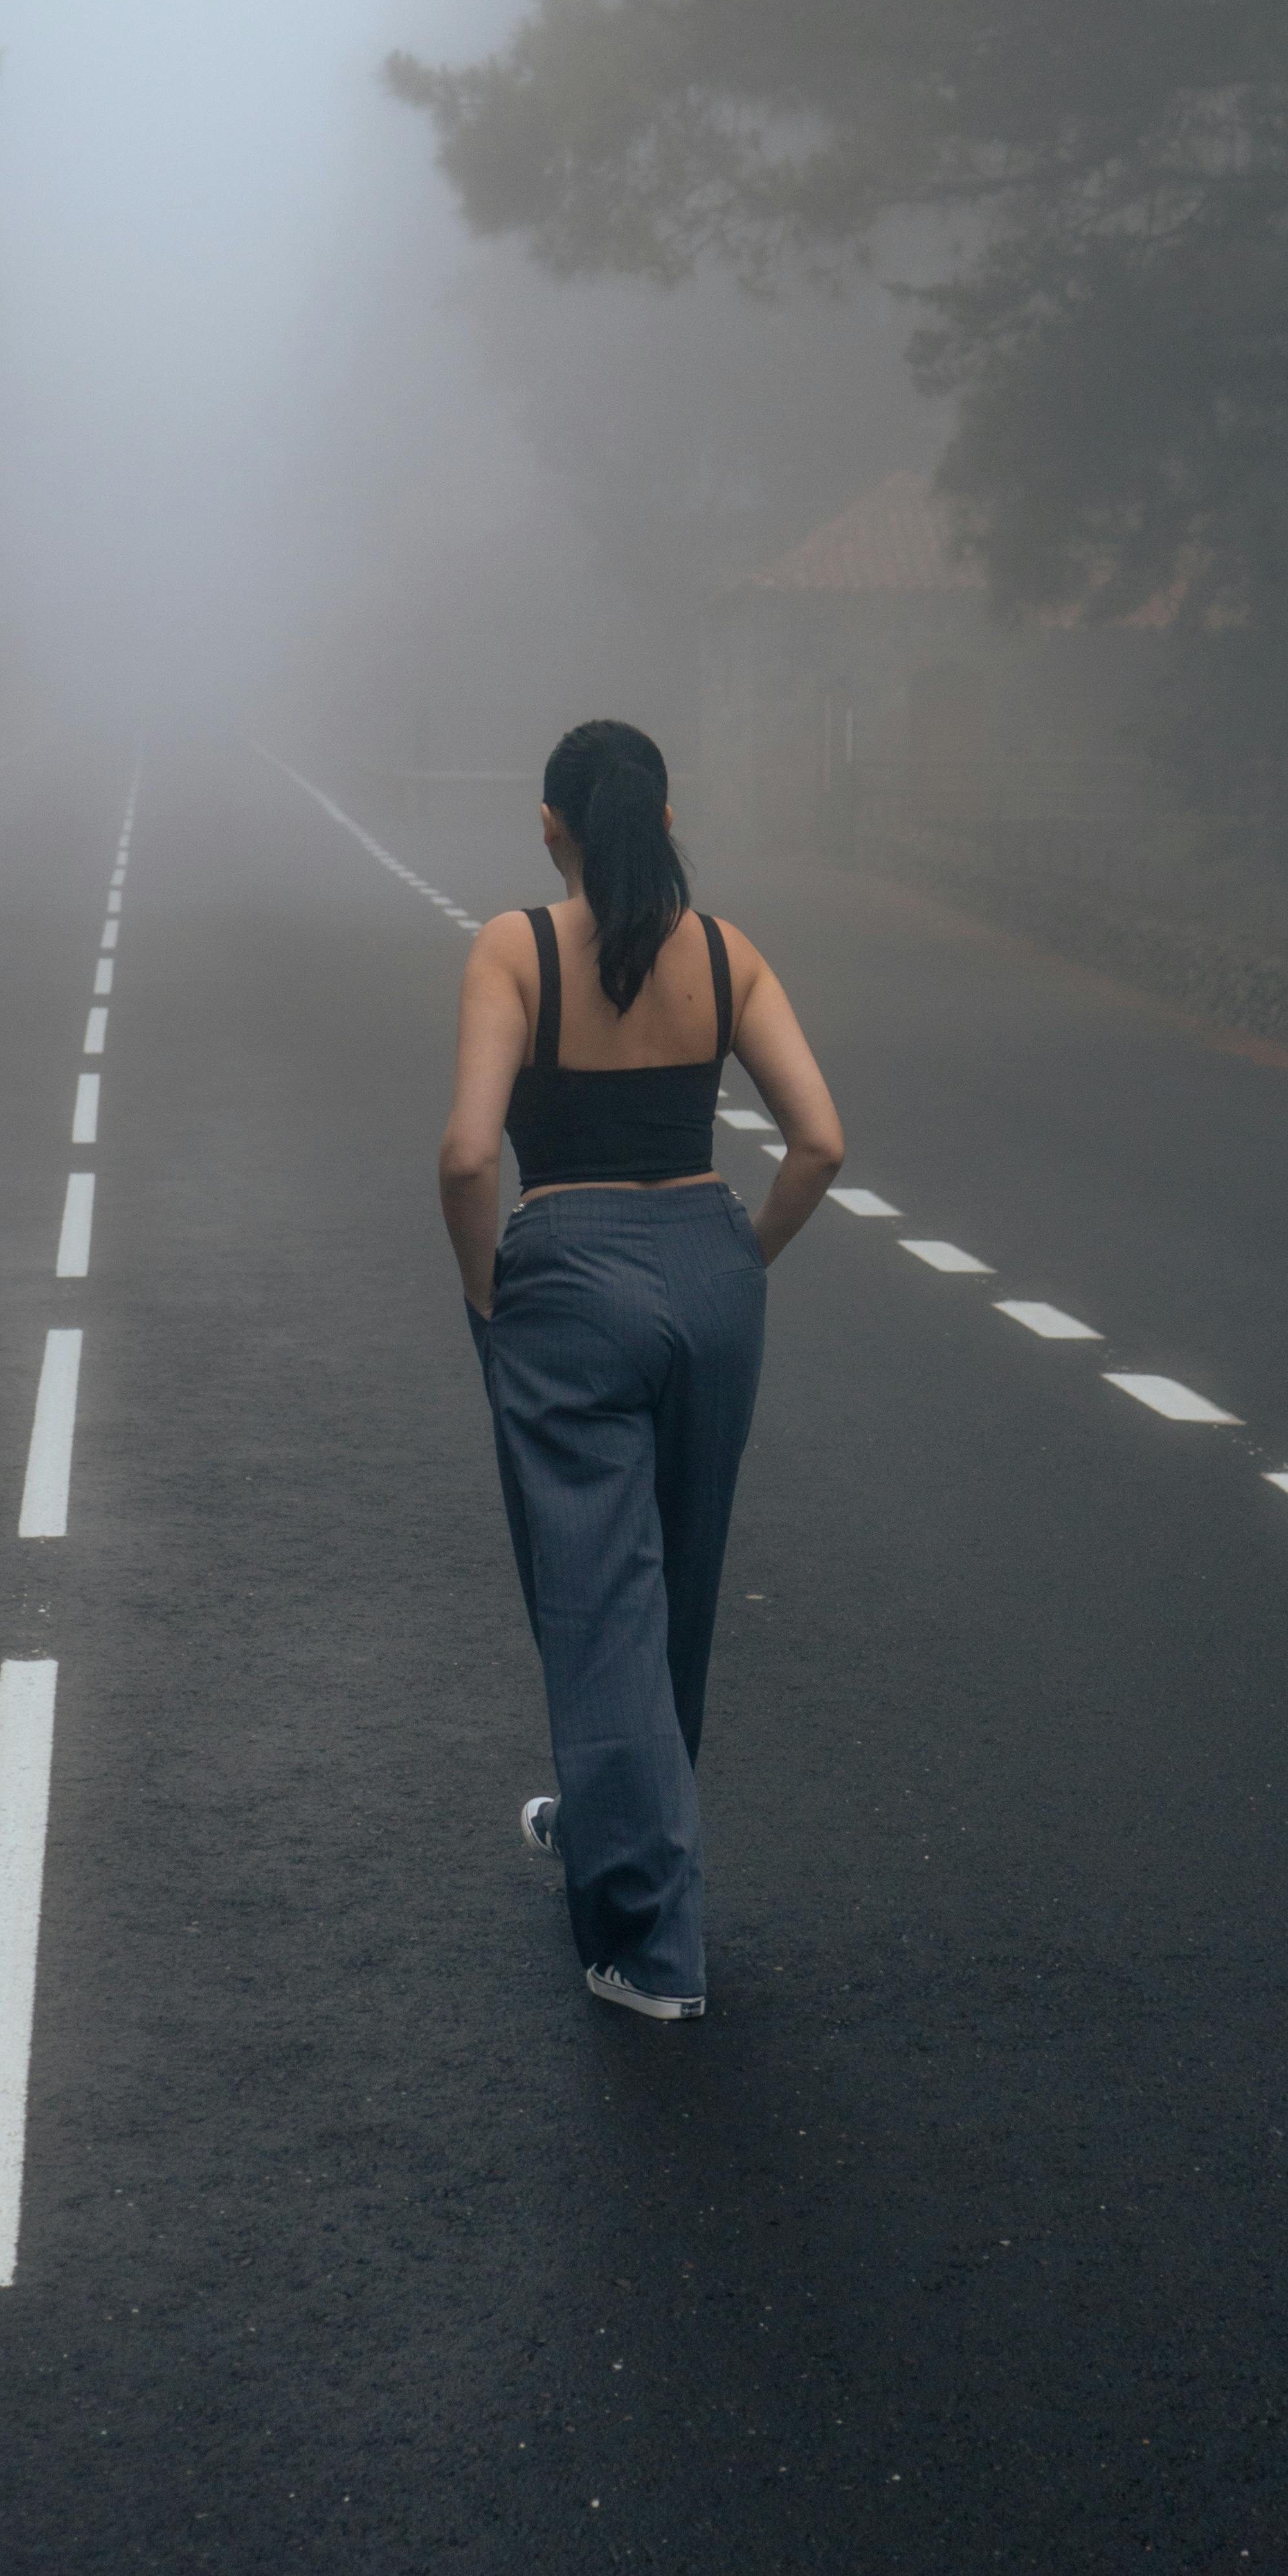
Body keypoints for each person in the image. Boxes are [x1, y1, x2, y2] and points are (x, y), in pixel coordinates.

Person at [439, 719, 845, 2022]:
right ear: (664, 823)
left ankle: (645, 1947)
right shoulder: (727, 954)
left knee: (596, 1597)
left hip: (567, 1270)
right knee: (676, 1580)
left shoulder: (516, 948)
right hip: (711, 1270)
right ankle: (610, 1822)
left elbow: (464, 1158)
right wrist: (740, 1261)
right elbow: (818, 1145)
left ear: (549, 827)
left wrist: (485, 1290)